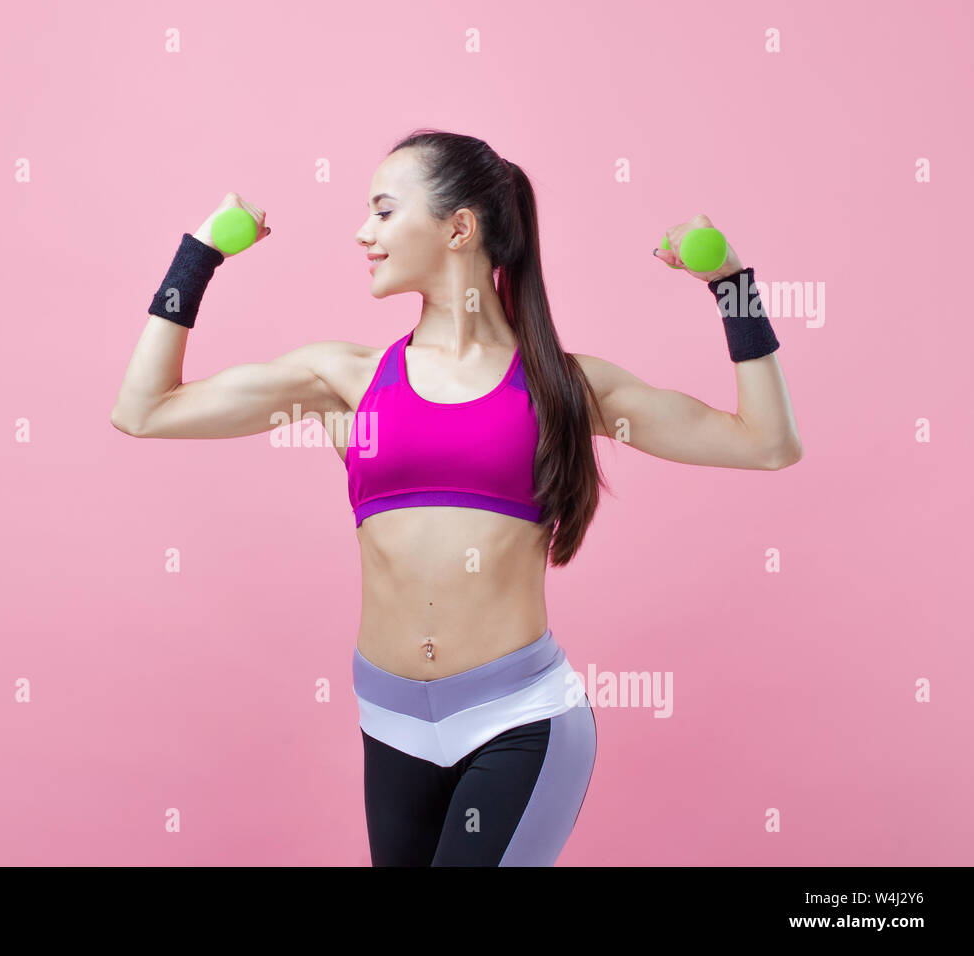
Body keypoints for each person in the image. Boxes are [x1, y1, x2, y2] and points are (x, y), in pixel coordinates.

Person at [111, 128, 801, 866]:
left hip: (518, 722)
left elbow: (766, 441)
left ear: (458, 228)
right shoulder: (346, 380)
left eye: (382, 211)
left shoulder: (564, 388)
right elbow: (144, 410)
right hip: (392, 723)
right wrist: (198, 253)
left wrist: (732, 284)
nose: (361, 233)